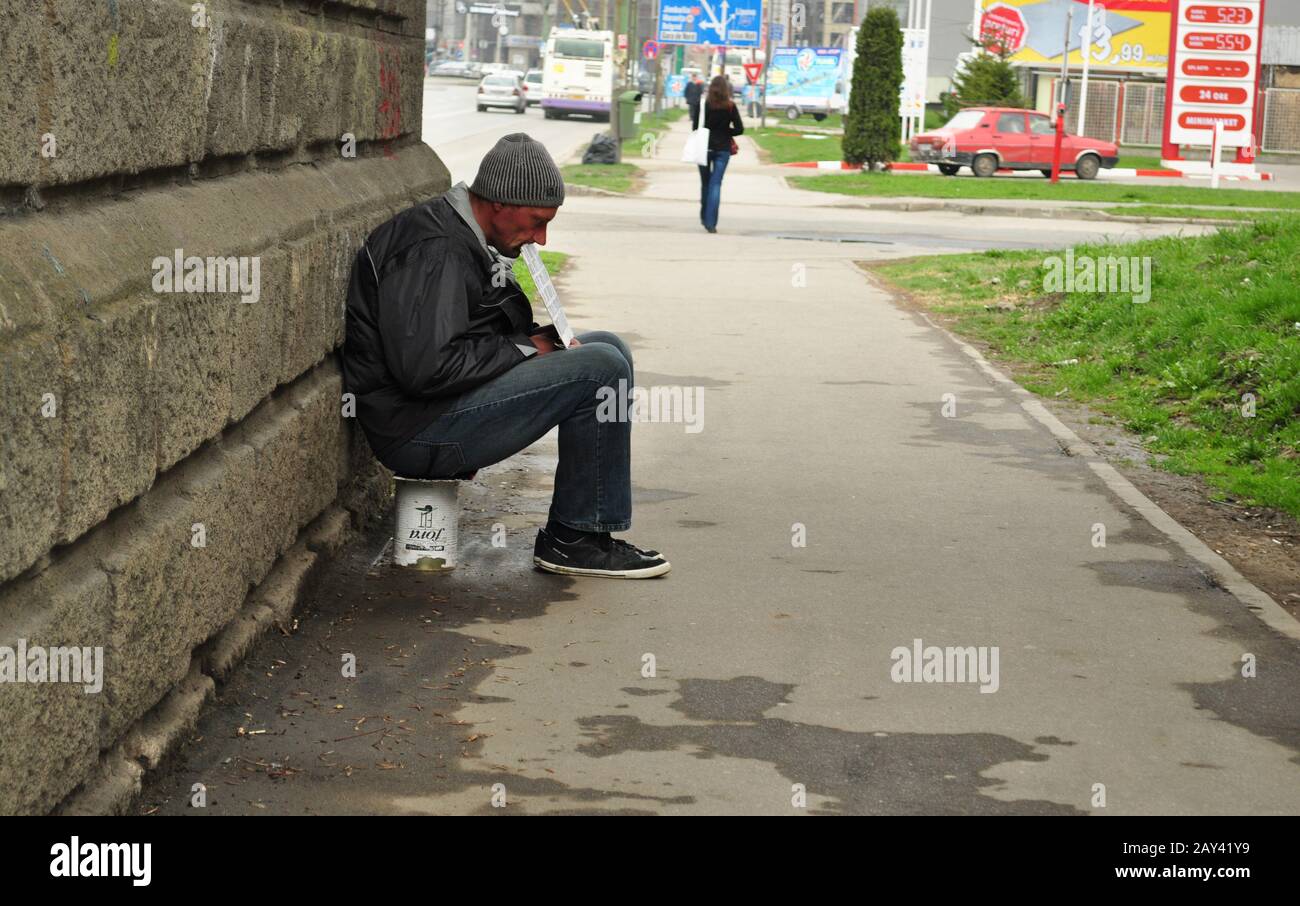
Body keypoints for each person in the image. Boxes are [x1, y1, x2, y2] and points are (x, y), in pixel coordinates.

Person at [342, 133, 670, 578]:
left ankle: (583, 532)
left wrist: (534, 342)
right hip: (418, 431)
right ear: (499, 203)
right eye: (536, 221)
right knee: (602, 370)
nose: (542, 237)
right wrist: (525, 347)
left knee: (608, 346)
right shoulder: (437, 250)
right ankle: (575, 539)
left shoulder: (462, 234)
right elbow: (426, 369)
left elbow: (461, 338)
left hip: (439, 409)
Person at [697, 76, 743, 234]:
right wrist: (726, 131)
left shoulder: (703, 105)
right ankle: (711, 223)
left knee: (705, 184)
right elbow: (739, 129)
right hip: (723, 149)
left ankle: (704, 216)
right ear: (726, 90)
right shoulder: (730, 106)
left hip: (703, 149)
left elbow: (695, 127)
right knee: (715, 185)